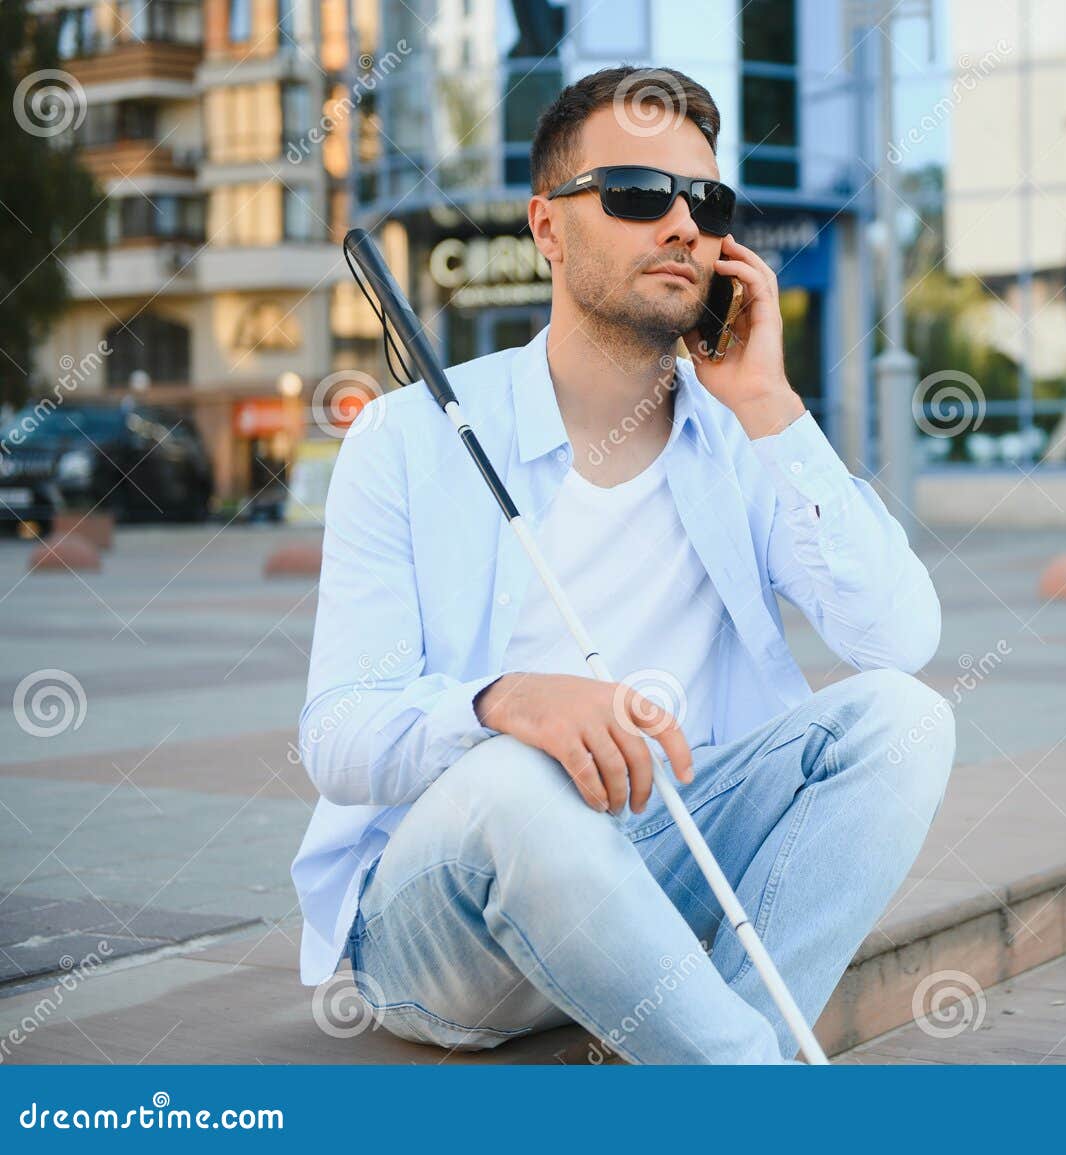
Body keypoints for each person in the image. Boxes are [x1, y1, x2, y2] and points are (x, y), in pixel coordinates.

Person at [288, 65, 954, 1064]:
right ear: (546, 227)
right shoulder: (408, 439)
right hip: (447, 922)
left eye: (707, 201)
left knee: (909, 721)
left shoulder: (743, 439)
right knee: (515, 781)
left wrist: (771, 404)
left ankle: (717, 1058)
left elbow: (899, 641)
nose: (683, 224)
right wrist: (501, 704)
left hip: (664, 875)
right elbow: (336, 735)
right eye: (639, 194)